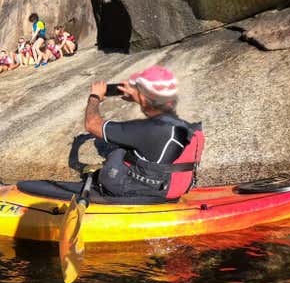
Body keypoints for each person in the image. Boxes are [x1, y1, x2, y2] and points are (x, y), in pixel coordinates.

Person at [81, 65, 204, 201]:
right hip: (179, 185)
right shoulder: (181, 126)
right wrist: (140, 97)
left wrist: (94, 97)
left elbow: (91, 124)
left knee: (117, 153)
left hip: (155, 190)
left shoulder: (144, 130)